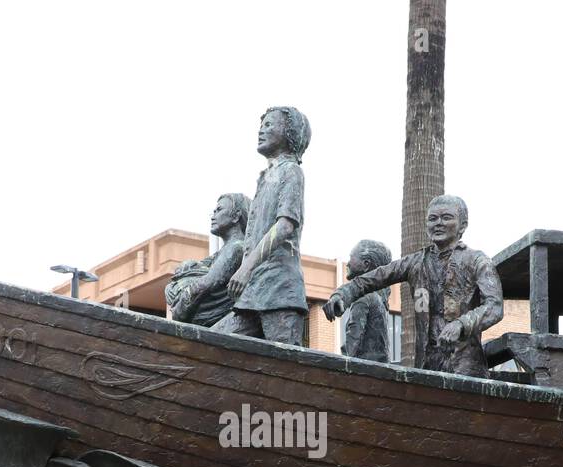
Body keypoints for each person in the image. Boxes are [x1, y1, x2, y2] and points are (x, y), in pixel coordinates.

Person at [323, 195, 503, 377]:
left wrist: (461, 324)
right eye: (433, 219)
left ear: (462, 225)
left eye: (446, 217)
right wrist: (342, 294)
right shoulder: (415, 263)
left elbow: (494, 306)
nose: (438, 223)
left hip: (465, 368)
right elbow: (374, 278)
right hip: (427, 368)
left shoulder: (477, 261)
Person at [213, 106, 311, 347]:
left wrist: (246, 267)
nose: (261, 130)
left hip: (280, 291)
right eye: (261, 125)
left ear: (289, 133)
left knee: (289, 370)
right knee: (211, 342)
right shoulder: (266, 177)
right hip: (254, 291)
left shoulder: (291, 172)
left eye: (269, 125)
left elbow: (285, 225)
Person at [165, 193, 249, 328]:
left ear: (236, 216)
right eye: (213, 211)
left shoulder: (236, 248)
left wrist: (179, 309)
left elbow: (206, 284)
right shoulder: (220, 253)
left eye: (219, 210)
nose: (213, 216)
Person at [329, 239, 392, 362]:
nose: (347, 263)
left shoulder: (365, 299)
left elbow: (352, 345)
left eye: (351, 257)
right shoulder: (378, 299)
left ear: (366, 264)